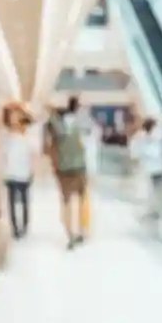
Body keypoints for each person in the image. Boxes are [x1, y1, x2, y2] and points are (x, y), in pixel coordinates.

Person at [45, 96, 90, 250]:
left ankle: (70, 234)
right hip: (79, 167)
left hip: (63, 169)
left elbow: (49, 148)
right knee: (81, 199)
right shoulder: (79, 124)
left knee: (67, 202)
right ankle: (82, 230)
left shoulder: (53, 125)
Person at [0, 103, 34, 238]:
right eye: (12, 116)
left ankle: (25, 225)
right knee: (11, 202)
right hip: (10, 172)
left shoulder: (27, 133)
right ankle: (15, 228)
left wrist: (32, 169)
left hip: (24, 171)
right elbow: (1, 152)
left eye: (17, 116)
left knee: (25, 201)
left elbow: (31, 153)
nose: (14, 119)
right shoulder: (5, 134)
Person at [131, 118, 162, 220]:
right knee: (153, 191)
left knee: (157, 191)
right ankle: (153, 211)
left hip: (157, 169)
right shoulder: (143, 138)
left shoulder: (153, 138)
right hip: (152, 169)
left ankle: (156, 211)